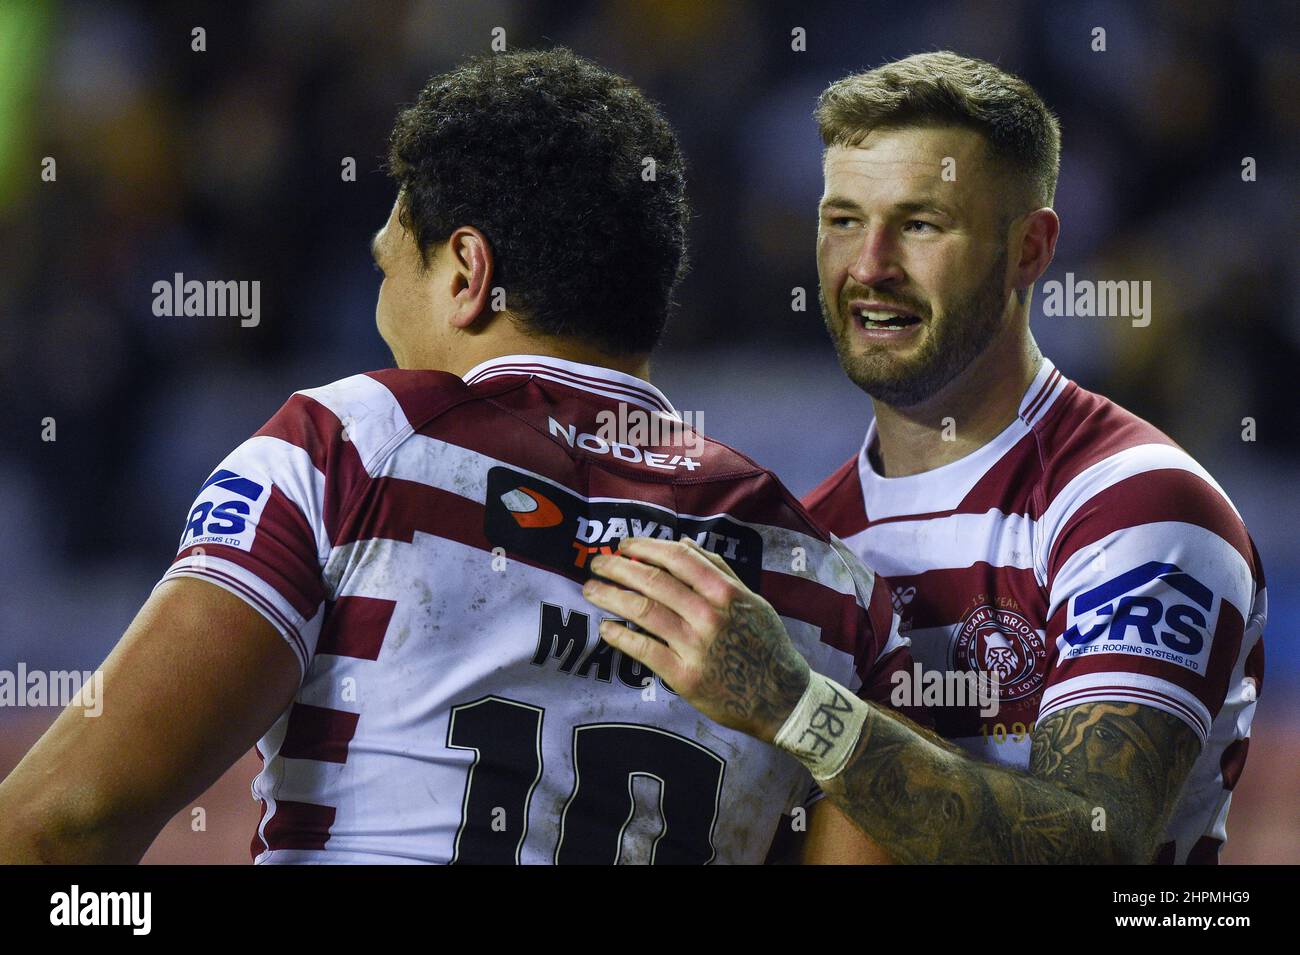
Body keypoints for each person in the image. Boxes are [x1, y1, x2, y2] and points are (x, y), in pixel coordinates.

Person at [0, 48, 912, 865]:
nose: (381, 308)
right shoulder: (832, 587)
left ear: (468, 273)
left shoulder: (350, 446)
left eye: (390, 266)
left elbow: (62, 823)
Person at [583, 51, 1266, 864]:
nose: (869, 267)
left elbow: (1098, 843)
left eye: (920, 224)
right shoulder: (814, 536)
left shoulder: (1136, 505)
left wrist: (801, 707)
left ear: (1030, 250)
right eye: (842, 221)